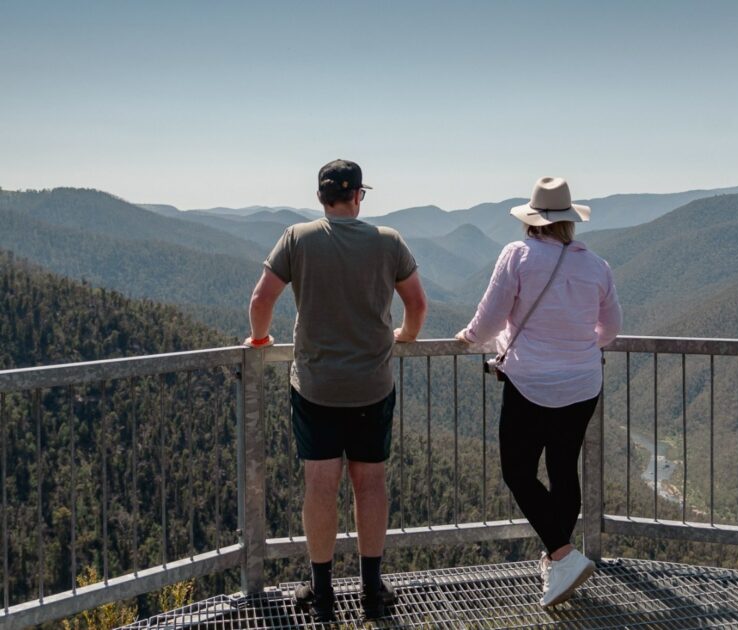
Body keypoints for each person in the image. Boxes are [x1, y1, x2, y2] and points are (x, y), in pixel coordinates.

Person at [244, 159, 427, 621]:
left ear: (321, 197)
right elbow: (417, 303)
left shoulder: (297, 238)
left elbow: (261, 299)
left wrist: (262, 341)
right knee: (370, 485)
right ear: (358, 196)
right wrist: (404, 335)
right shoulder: (388, 242)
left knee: (320, 486)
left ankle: (322, 594)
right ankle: (371, 590)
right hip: (372, 385)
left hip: (316, 388)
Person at [455, 176, 622, 607]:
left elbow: (489, 321)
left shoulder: (517, 255)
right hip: (583, 384)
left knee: (517, 471)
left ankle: (562, 555)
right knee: (563, 469)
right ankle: (558, 562)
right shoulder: (596, 265)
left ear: (533, 220)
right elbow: (610, 330)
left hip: (529, 383)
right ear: (569, 221)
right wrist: (580, 347)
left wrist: (468, 337)